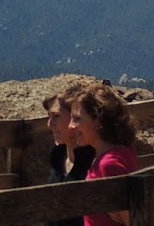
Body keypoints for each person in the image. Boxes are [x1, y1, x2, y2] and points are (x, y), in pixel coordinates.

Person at [68, 81, 139, 226]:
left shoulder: (108, 166)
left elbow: (134, 221)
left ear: (97, 121)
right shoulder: (122, 149)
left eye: (77, 119)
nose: (71, 126)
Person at [43, 84, 95, 226]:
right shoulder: (58, 156)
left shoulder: (94, 163)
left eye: (56, 117)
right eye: (49, 117)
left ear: (74, 116)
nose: (50, 124)